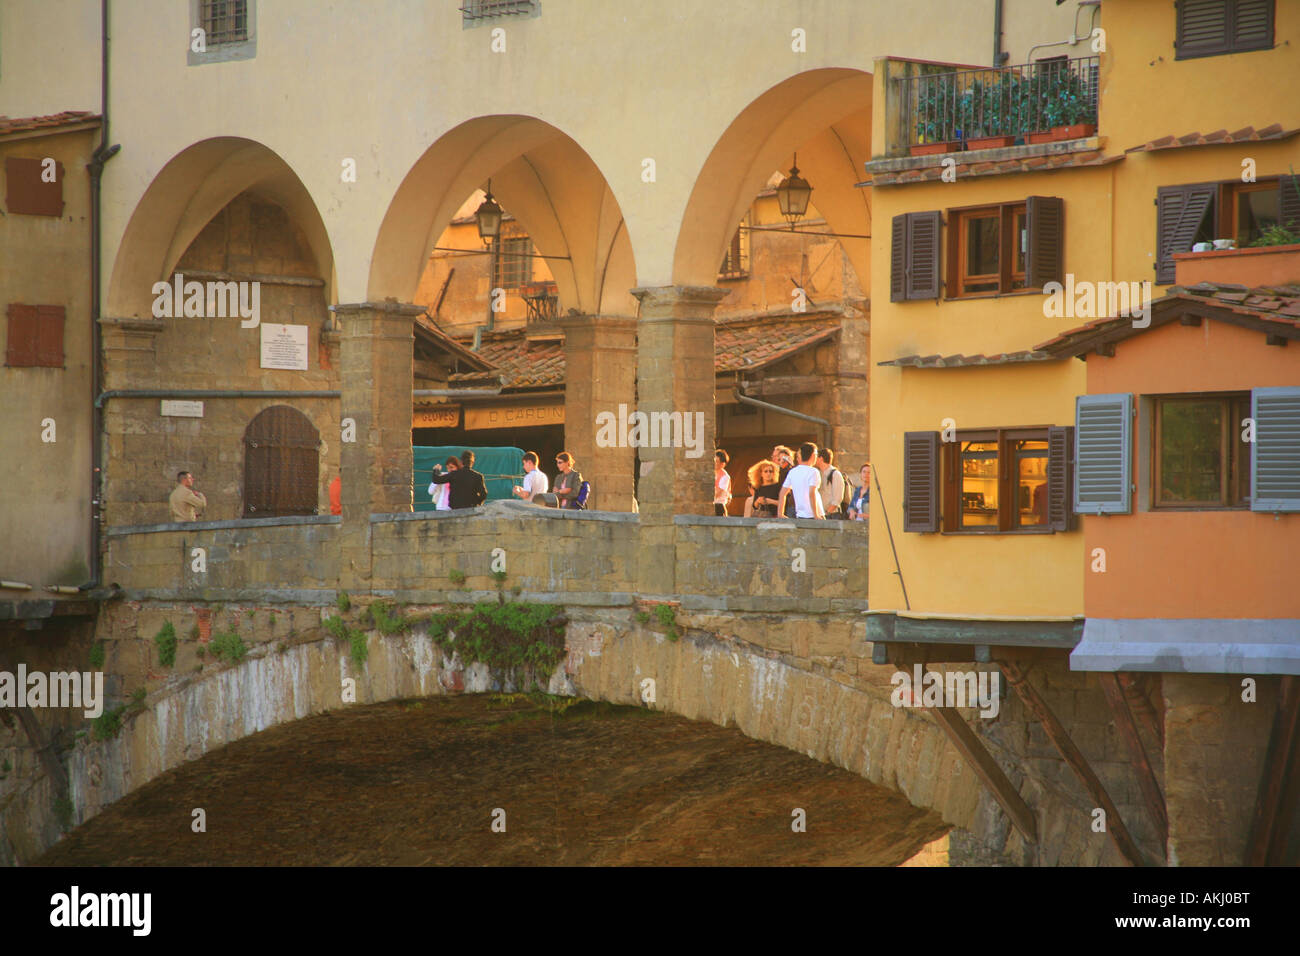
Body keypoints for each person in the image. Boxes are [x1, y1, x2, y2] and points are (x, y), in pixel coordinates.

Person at [777, 442, 825, 520]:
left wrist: (780, 513)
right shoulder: (814, 471)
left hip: (800, 514)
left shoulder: (792, 472)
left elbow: (782, 493)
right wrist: (816, 515)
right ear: (813, 455)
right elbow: (811, 493)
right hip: (815, 514)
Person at [816, 447, 848, 519]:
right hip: (821, 515)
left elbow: (838, 499)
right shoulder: (819, 473)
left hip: (831, 515)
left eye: (816, 457)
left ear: (821, 458)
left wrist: (827, 513)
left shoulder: (835, 474)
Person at [771, 445, 796, 517]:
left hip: (790, 506)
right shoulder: (771, 472)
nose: (774, 459)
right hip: (777, 508)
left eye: (777, 457)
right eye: (774, 456)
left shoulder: (791, 471)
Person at [713, 450, 732, 516]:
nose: (714, 463)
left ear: (722, 464)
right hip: (710, 506)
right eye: (714, 460)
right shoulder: (710, 473)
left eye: (716, 461)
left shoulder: (725, 477)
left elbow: (717, 493)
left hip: (718, 507)